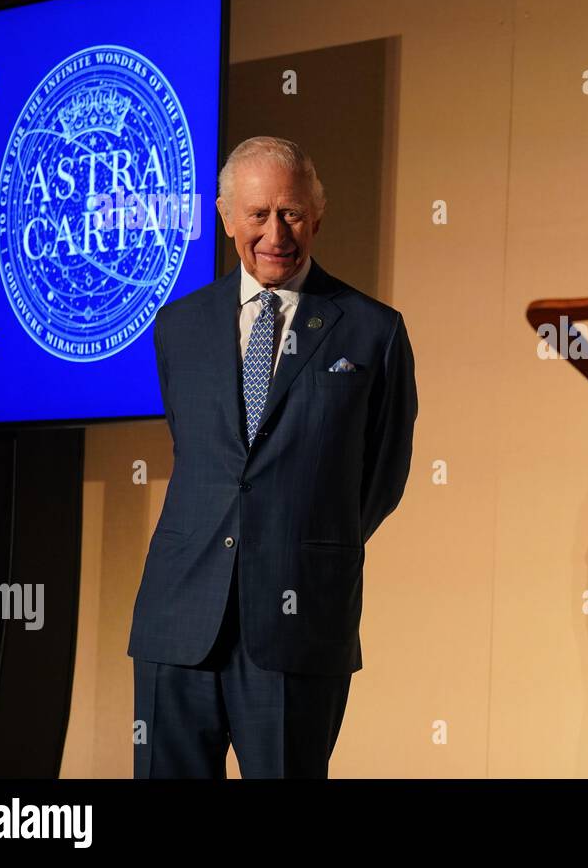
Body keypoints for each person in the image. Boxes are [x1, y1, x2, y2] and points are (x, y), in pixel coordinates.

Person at [127, 136, 417, 778]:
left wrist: (302, 536)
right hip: (179, 616)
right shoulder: (179, 326)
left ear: (317, 214)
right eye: (257, 214)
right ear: (227, 219)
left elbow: (383, 474)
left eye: (290, 212)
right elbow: (202, 454)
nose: (275, 233)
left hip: (299, 619)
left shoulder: (373, 330)